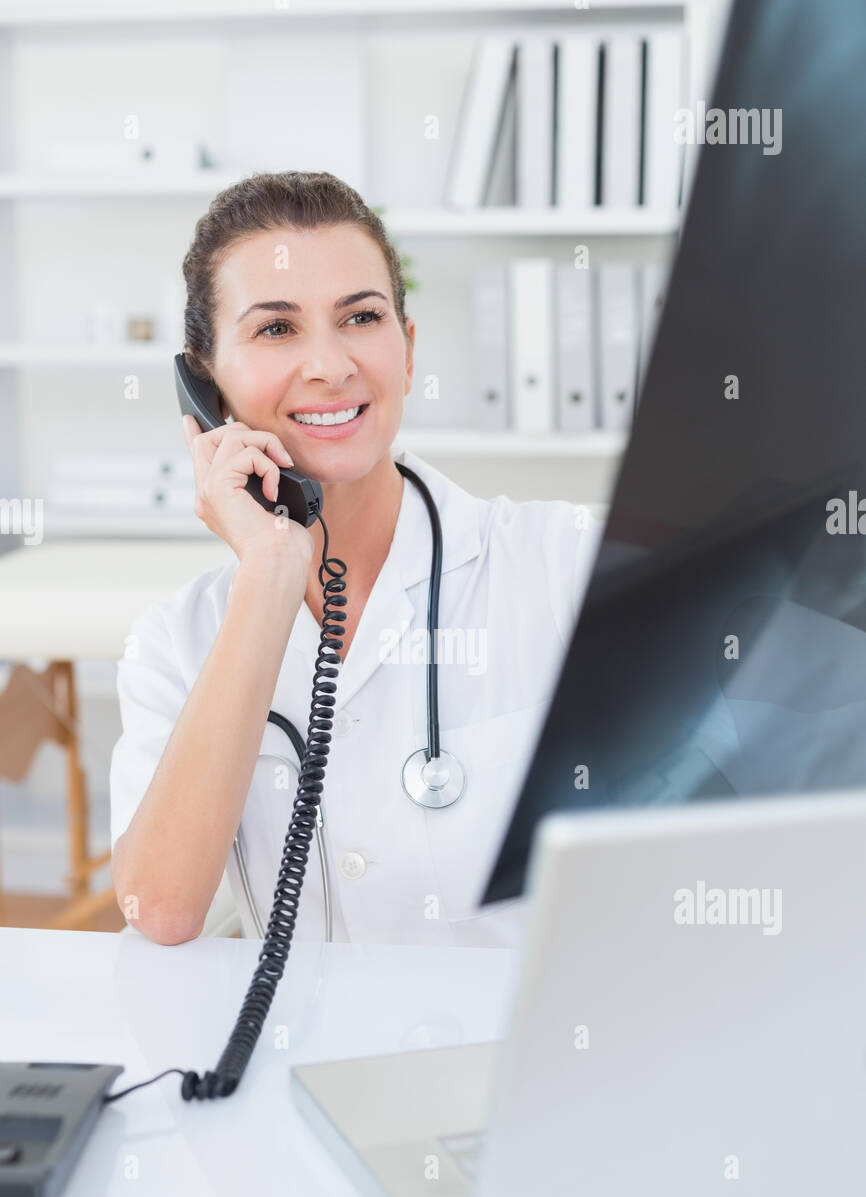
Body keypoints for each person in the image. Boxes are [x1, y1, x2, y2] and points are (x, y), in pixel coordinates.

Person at [109, 170, 603, 948]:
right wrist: (271, 576)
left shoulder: (565, 561)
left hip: (514, 1060)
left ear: (406, 351)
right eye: (276, 329)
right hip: (294, 1064)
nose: (331, 365)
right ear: (205, 388)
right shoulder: (176, 642)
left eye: (361, 317)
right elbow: (161, 913)